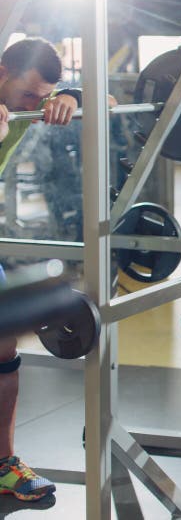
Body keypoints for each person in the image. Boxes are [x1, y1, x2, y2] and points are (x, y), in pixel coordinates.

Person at [0, 37, 86, 502]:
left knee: (2, 346)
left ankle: (2, 463)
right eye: (28, 95)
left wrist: (73, 96)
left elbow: (107, 98)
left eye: (42, 96)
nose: (36, 105)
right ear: (1, 73)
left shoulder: (33, 101)